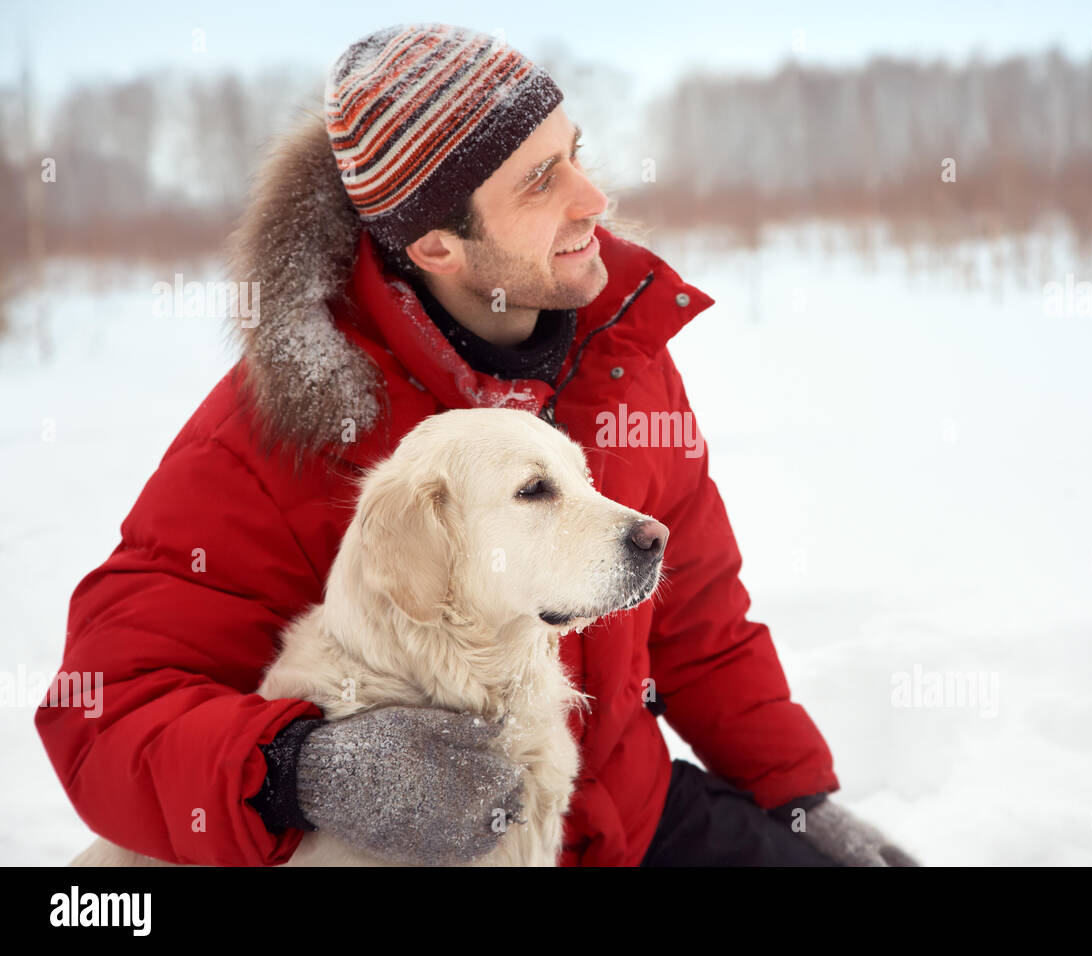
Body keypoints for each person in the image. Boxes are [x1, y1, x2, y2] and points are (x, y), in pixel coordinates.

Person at [35, 22, 918, 867]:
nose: (594, 200)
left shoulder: (626, 359)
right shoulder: (276, 427)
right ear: (436, 244)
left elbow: (698, 622)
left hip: (627, 822)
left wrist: (798, 797)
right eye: (541, 181)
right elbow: (105, 710)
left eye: (577, 153)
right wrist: (302, 772)